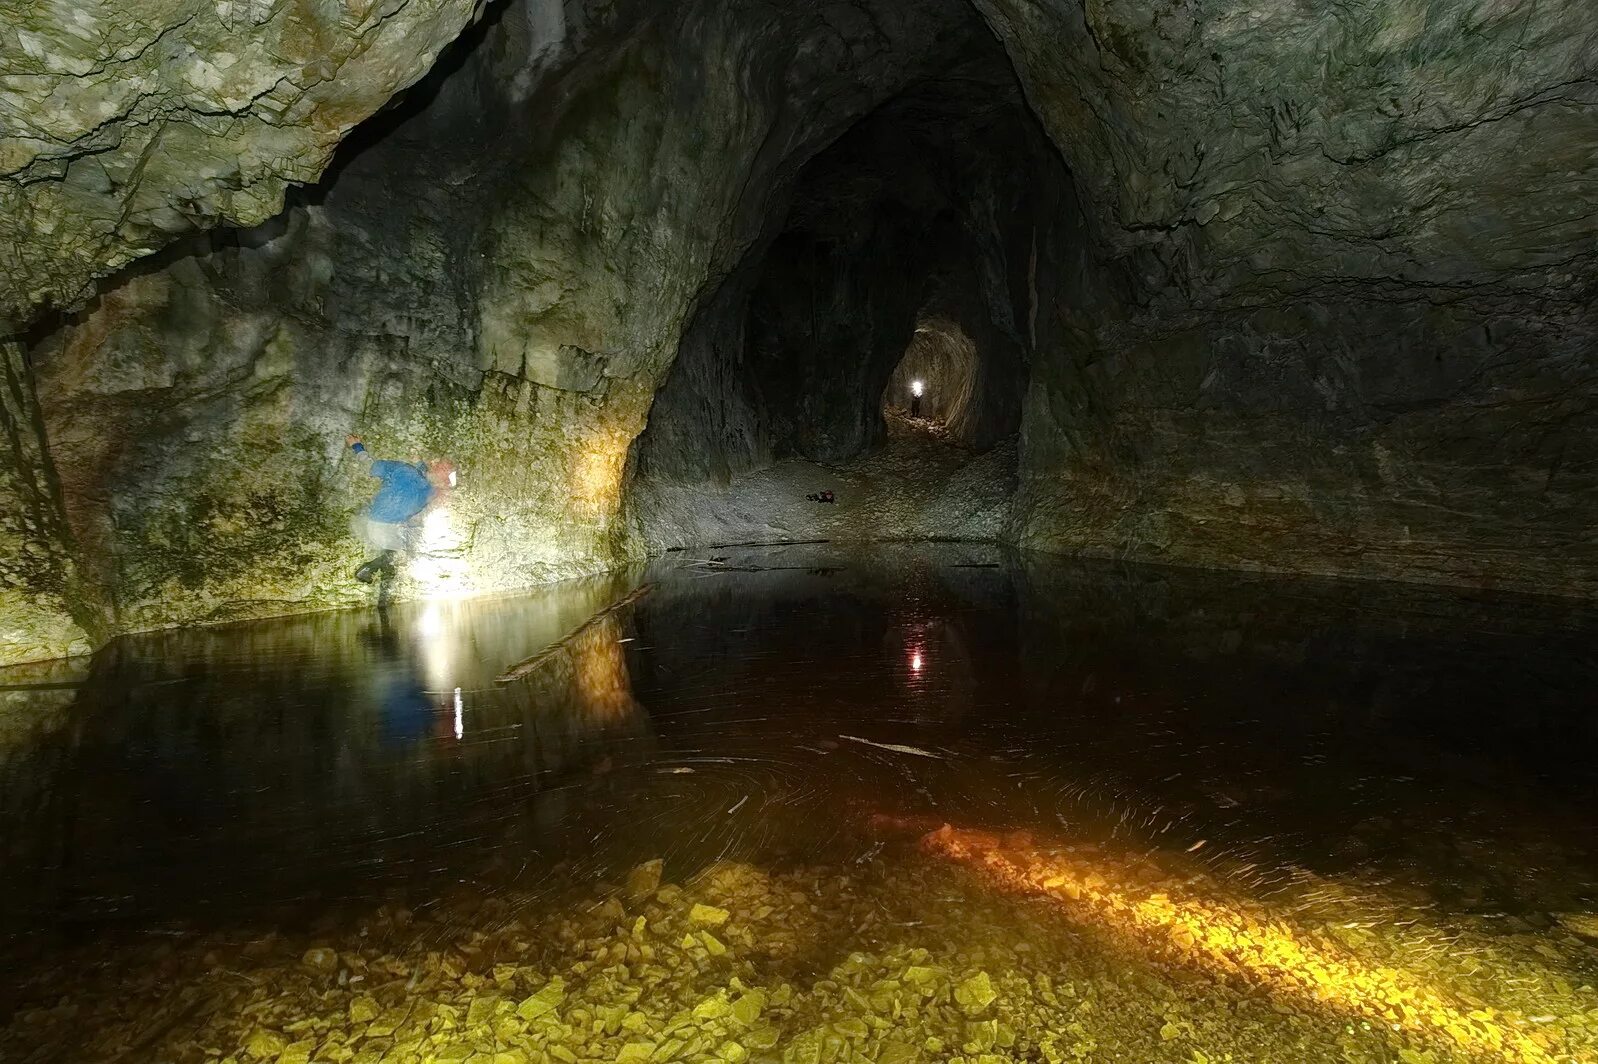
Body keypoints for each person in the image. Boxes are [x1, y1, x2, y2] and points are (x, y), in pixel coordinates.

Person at [346, 434, 455, 584]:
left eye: (448, 472)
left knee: (393, 565)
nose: (445, 474)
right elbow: (371, 467)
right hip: (380, 524)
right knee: (395, 556)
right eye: (444, 468)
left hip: (392, 528)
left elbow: (430, 482)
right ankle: (366, 571)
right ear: (434, 464)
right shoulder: (403, 470)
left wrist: (421, 464)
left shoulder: (430, 490)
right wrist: (357, 447)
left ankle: (384, 592)